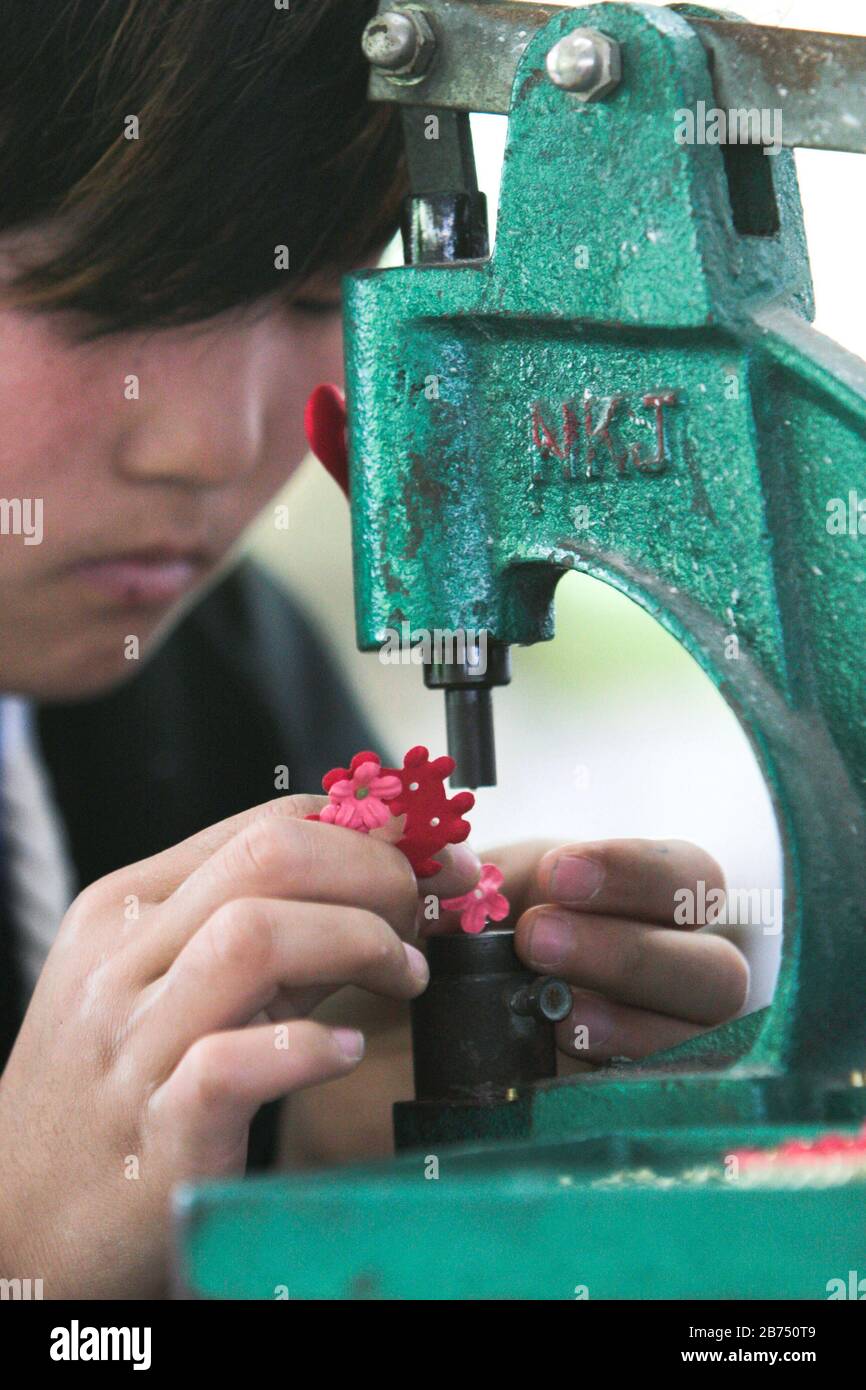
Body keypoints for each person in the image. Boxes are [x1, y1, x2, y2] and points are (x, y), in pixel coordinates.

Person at [0, 0, 748, 1298]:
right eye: (109, 303)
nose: (217, 446)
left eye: (304, 298)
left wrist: (326, 1127)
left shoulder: (234, 679)